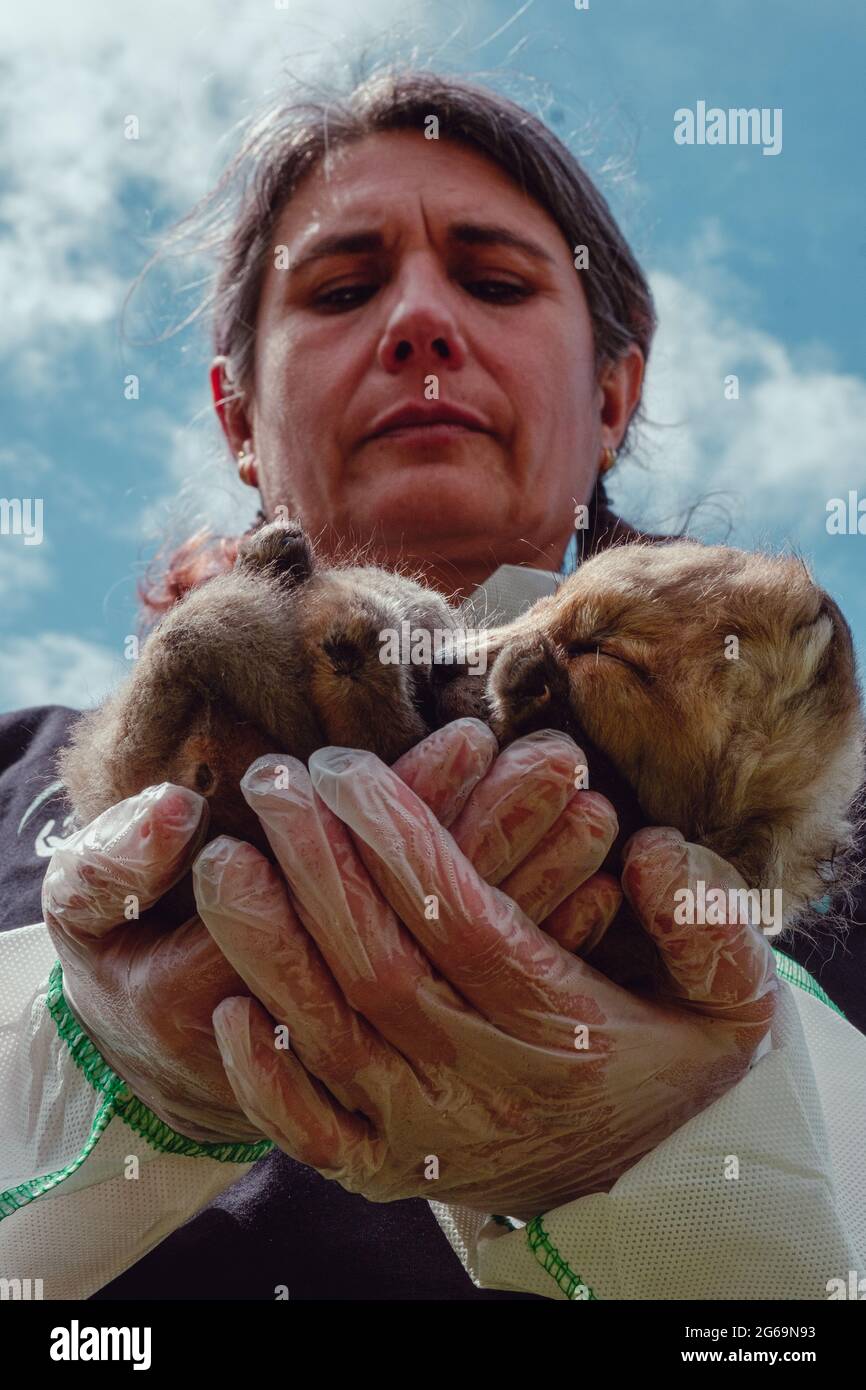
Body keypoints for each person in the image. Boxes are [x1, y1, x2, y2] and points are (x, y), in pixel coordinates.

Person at [1, 65, 864, 1302]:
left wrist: (687, 1183)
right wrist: (82, 1089)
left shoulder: (844, 851)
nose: (419, 323)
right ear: (236, 418)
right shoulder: (12, 776)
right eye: (343, 289)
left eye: (497, 281)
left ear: (613, 394)